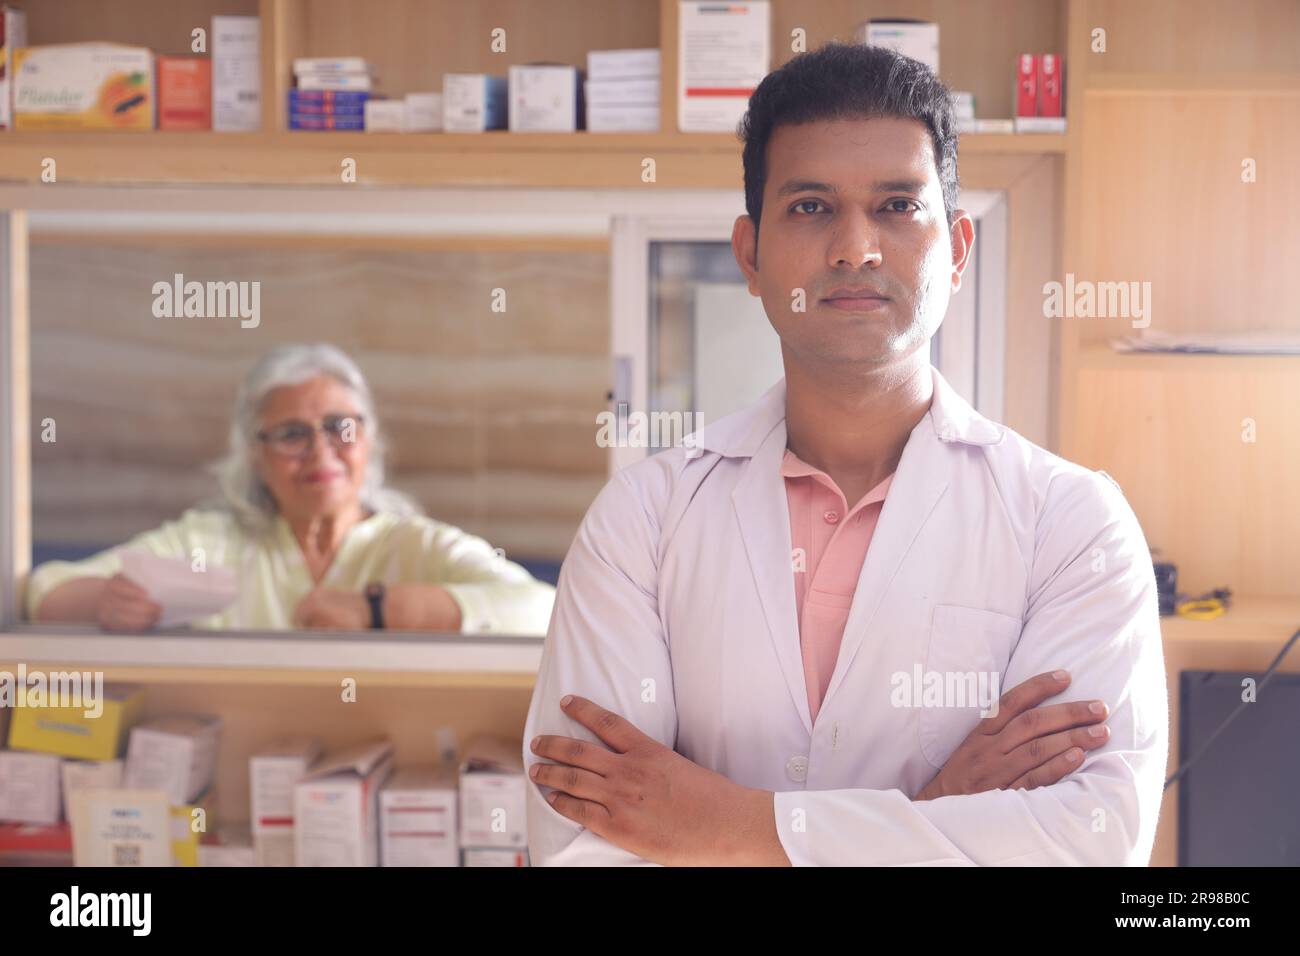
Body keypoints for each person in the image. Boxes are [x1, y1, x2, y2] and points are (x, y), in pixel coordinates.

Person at [522, 43, 1168, 865]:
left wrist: (719, 827)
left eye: (898, 206)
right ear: (750, 256)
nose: (856, 248)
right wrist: (936, 813)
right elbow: (579, 841)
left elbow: (1088, 847)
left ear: (958, 248)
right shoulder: (643, 521)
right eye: (811, 208)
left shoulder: (1071, 525)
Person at [26, 343, 556, 635]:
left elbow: (541, 609)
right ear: (255, 453)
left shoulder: (413, 544)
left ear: (368, 440)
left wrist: (376, 611)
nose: (321, 452)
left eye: (340, 428)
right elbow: (44, 590)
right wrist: (108, 601)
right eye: (291, 435)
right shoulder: (211, 543)